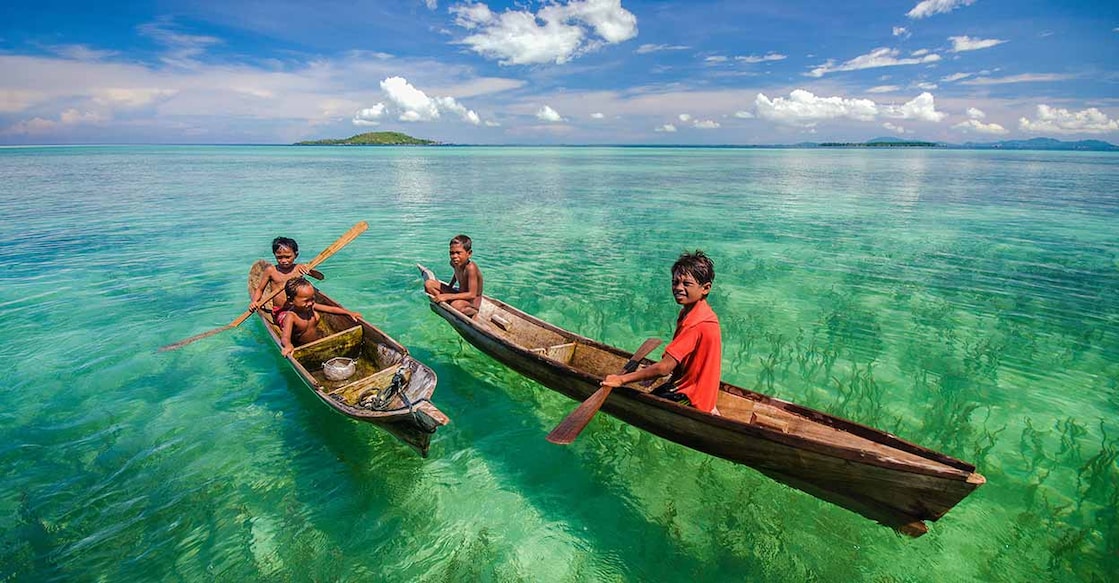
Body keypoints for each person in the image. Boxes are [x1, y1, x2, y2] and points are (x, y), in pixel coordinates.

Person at [601, 250, 723, 415]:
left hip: (690, 399)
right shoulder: (696, 313)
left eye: (687, 284)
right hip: (696, 391)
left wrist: (621, 379)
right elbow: (679, 361)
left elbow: (664, 368)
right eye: (675, 282)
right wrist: (653, 373)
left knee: (635, 411)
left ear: (706, 288)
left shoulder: (696, 324)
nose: (678, 288)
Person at [279, 277, 362, 356]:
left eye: (312, 299)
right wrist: (288, 345)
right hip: (304, 348)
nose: (310, 303)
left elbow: (331, 309)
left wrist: (349, 313)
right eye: (306, 301)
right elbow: (285, 337)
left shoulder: (311, 306)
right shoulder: (291, 316)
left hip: (318, 343)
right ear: (291, 300)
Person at [250, 236, 311, 320]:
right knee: (290, 320)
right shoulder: (271, 270)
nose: (283, 261)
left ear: (296, 255)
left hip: (299, 307)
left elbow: (320, 277)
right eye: (279, 257)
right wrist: (254, 302)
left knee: (315, 316)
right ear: (274, 255)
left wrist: (309, 269)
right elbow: (260, 289)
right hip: (281, 310)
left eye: (287, 257)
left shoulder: (299, 268)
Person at [423, 234, 484, 317]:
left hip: (471, 302)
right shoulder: (454, 263)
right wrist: (450, 286)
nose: (454, 256)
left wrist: (447, 296)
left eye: (458, 253)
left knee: (456, 305)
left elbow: (472, 295)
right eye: (452, 253)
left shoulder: (471, 268)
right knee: (429, 284)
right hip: (460, 294)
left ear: (469, 253)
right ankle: (447, 303)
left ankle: (473, 312)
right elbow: (456, 273)